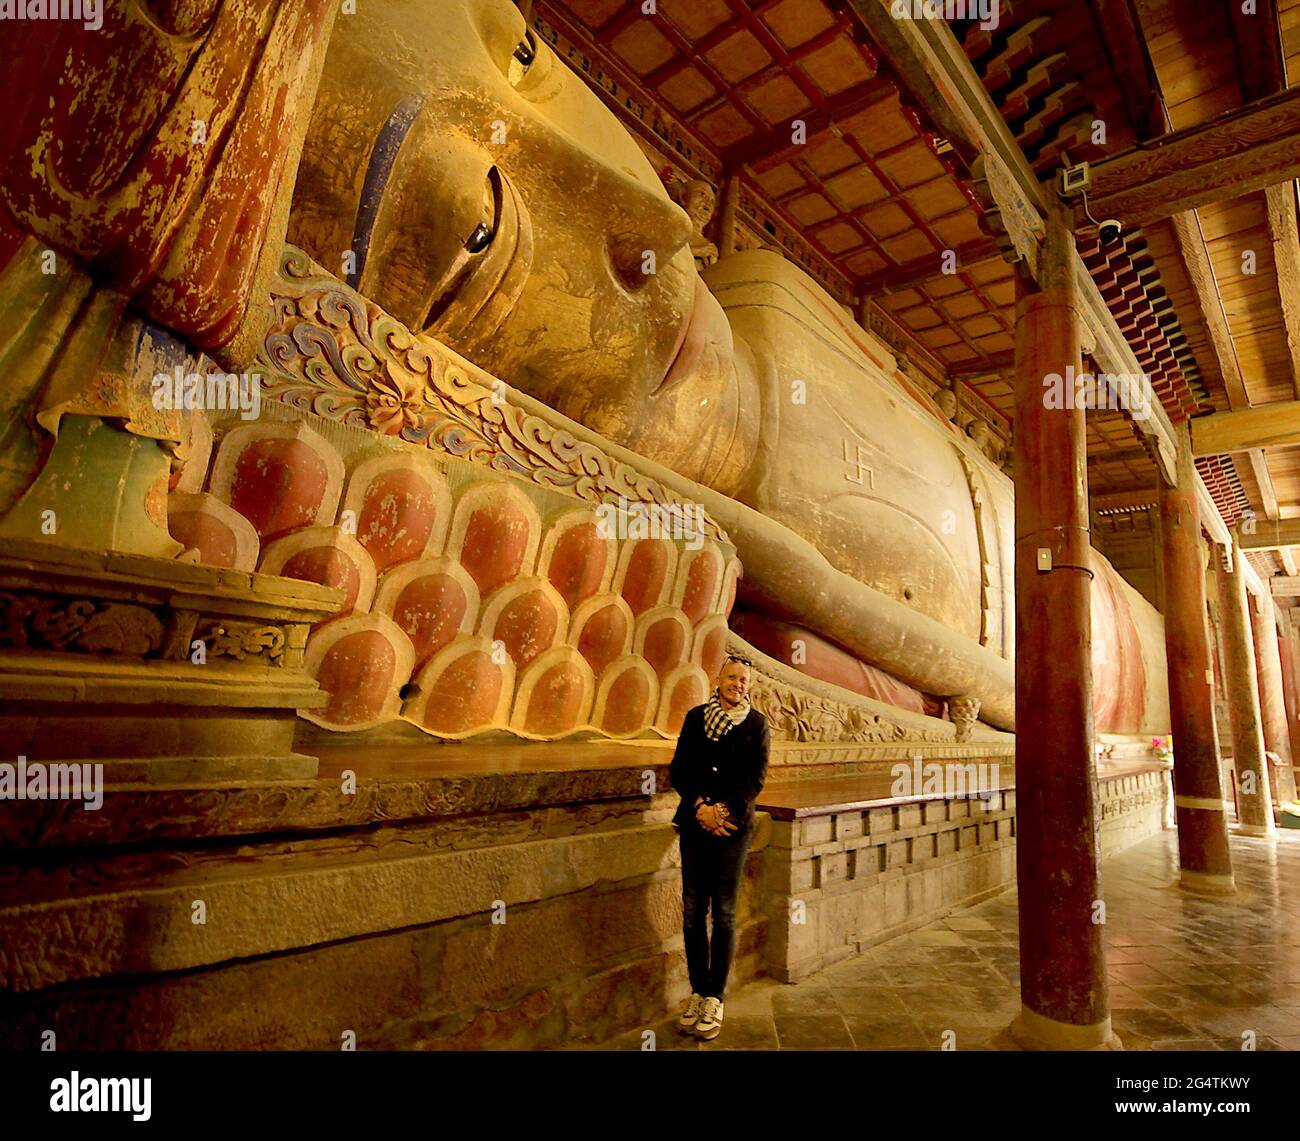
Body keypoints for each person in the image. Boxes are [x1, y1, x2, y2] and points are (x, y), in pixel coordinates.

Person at [669, 654, 770, 1040]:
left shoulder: (757, 725)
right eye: (732, 678)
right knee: (693, 910)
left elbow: (754, 780)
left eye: (743, 680)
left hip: (732, 828)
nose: (738, 685)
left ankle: (715, 997)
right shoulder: (697, 719)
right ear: (719, 679)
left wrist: (722, 812)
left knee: (725, 913)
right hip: (696, 824)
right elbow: (681, 769)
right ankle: (697, 991)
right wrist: (700, 808)